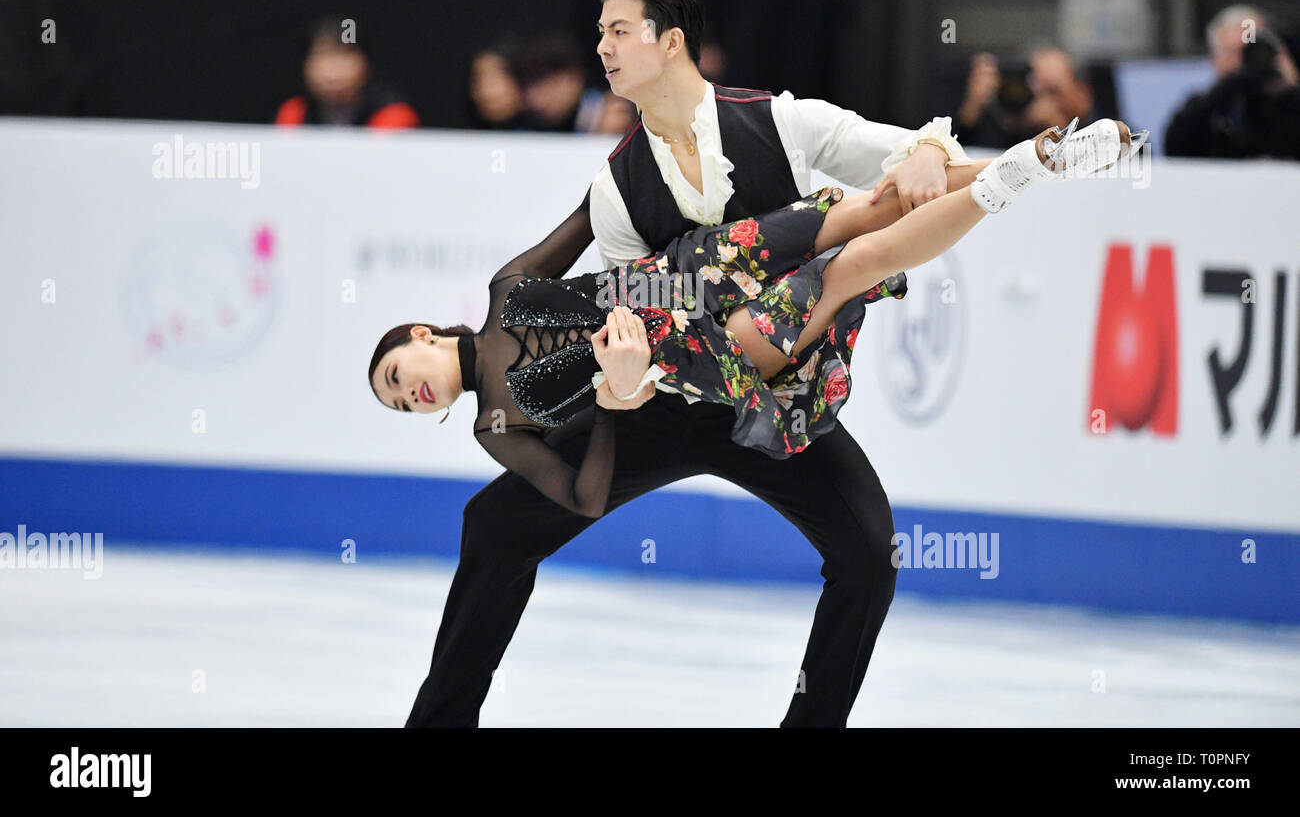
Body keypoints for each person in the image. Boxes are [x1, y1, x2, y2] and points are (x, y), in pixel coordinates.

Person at [396, 0, 1131, 728]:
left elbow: (900, 156)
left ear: (670, 41)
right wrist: (620, 384)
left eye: (618, 31)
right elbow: (637, 323)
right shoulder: (617, 189)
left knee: (867, 557)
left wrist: (925, 150)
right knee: (497, 524)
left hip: (777, 389)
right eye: (601, 34)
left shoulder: (778, 121)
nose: (603, 48)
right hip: (677, 387)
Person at [371, 115, 1140, 516]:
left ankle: (1044, 164)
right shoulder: (494, 427)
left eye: (400, 377)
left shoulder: (507, 286)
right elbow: (586, 498)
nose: (414, 394)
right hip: (693, 356)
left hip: (678, 271)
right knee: (854, 267)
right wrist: (610, 396)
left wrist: (663, 128)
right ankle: (1016, 176)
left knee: (859, 210)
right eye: (403, 403)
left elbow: (594, 206)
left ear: (422, 335)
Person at [1164, 4, 1300, 159]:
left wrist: (1291, 87)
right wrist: (1223, 92)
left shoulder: (1287, 101)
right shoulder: (1206, 110)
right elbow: (1175, 152)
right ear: (1215, 60)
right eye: (1231, 52)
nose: (1241, 62)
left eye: (1251, 51)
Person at [275, 15, 420, 129]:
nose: (332, 73)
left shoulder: (392, 115)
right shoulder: (294, 114)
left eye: (344, 57)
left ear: (367, 64)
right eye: (321, 57)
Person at [955, 45, 1097, 149]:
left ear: (1083, 92)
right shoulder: (1008, 127)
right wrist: (973, 107)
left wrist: (1058, 132)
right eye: (1035, 91)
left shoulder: (1104, 131)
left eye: (1053, 92)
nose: (1041, 103)